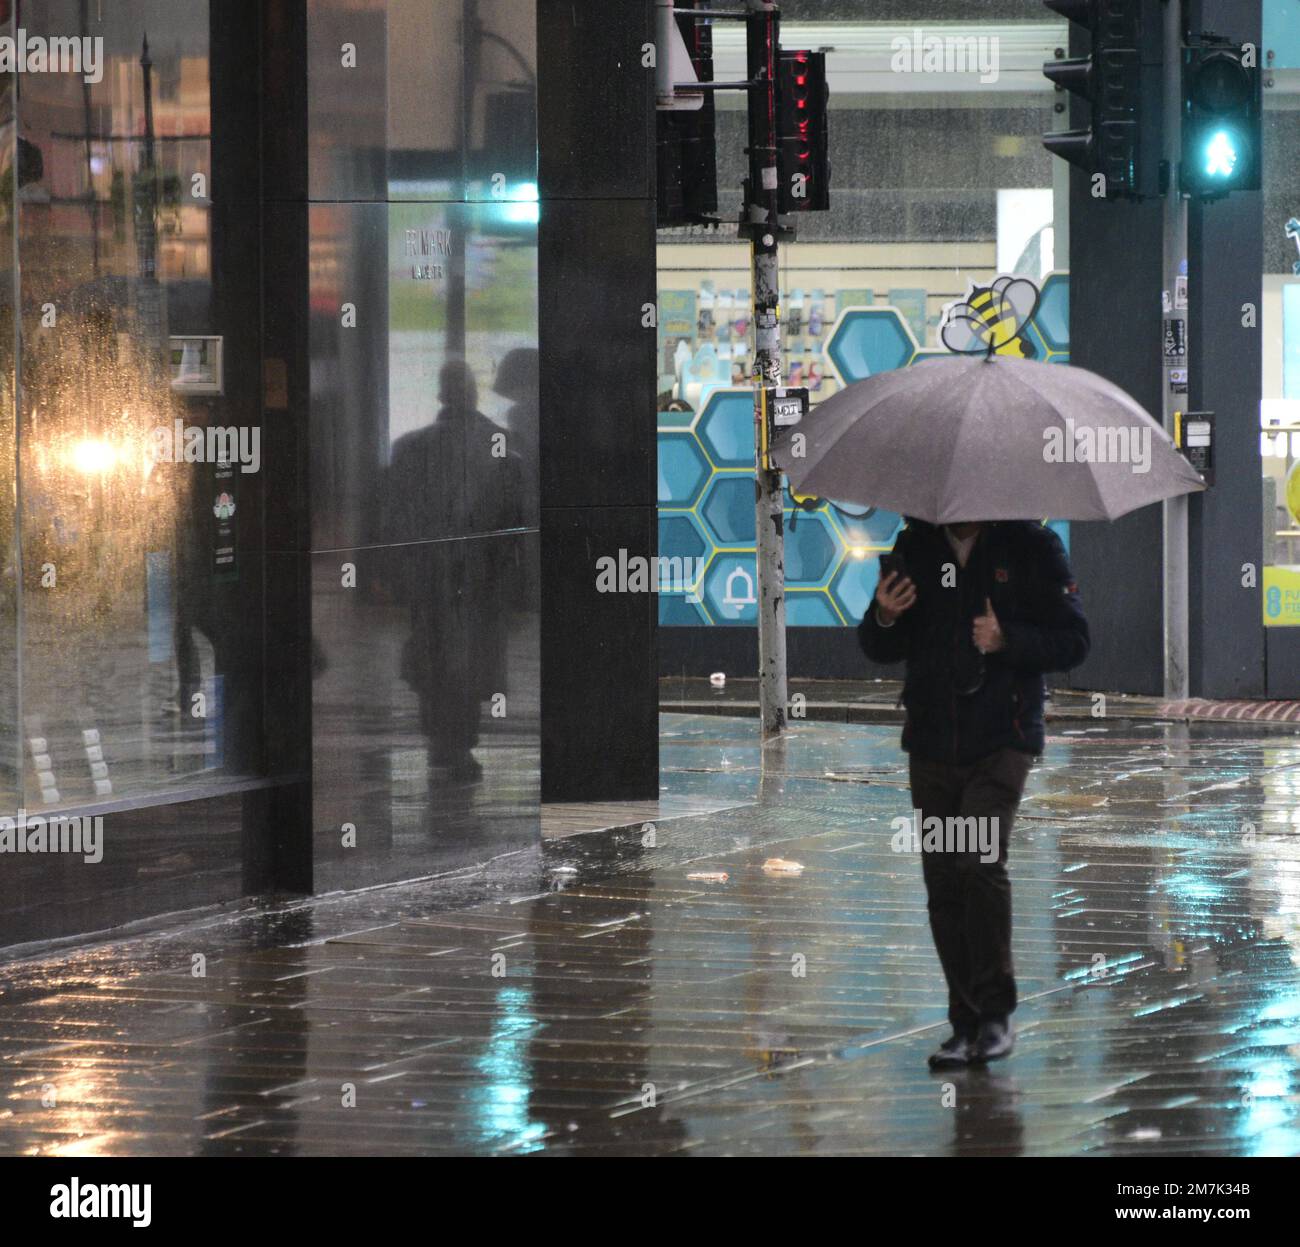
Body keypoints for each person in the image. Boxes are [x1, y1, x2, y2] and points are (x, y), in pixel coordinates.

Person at [859, 519, 1089, 1069]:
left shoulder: (1030, 545)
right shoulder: (915, 545)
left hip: (1001, 740)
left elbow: (1075, 640)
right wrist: (883, 616)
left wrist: (1006, 638)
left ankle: (995, 1016)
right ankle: (964, 1023)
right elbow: (879, 647)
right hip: (933, 744)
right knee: (944, 880)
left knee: (978, 861)